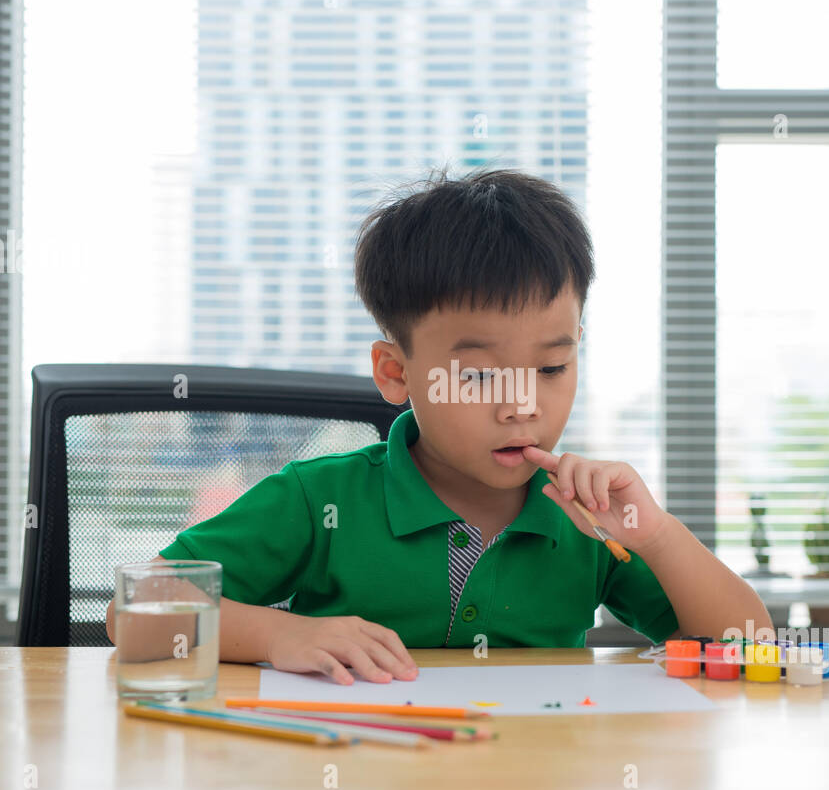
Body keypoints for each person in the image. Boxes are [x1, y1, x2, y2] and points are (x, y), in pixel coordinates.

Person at [105, 166, 772, 683]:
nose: (522, 406)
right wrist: (282, 636)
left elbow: (750, 647)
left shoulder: (589, 520)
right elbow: (133, 616)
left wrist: (655, 536)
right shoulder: (320, 500)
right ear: (396, 373)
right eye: (480, 375)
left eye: (551, 368)